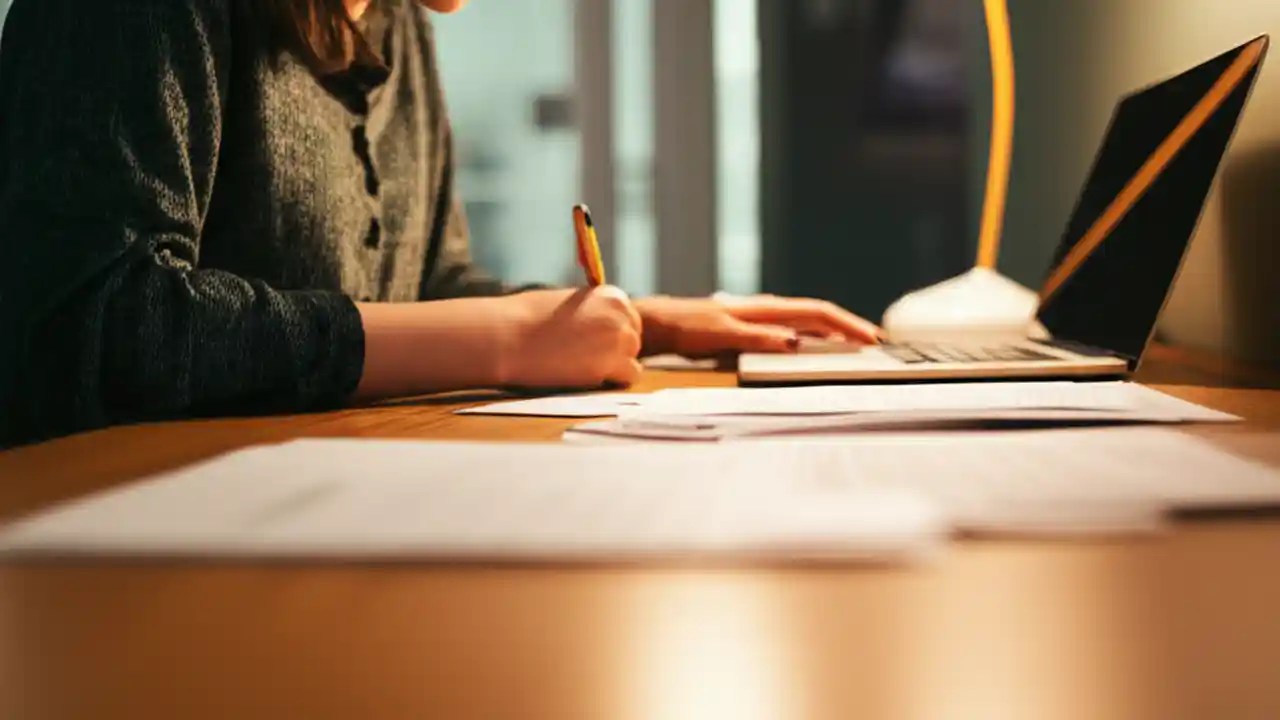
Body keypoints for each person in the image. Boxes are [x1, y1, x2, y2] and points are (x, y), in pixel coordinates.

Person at [0, 0, 880, 446]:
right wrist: (505, 338)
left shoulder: (393, 25)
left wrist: (647, 323)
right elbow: (93, 325)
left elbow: (427, 287)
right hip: (113, 571)